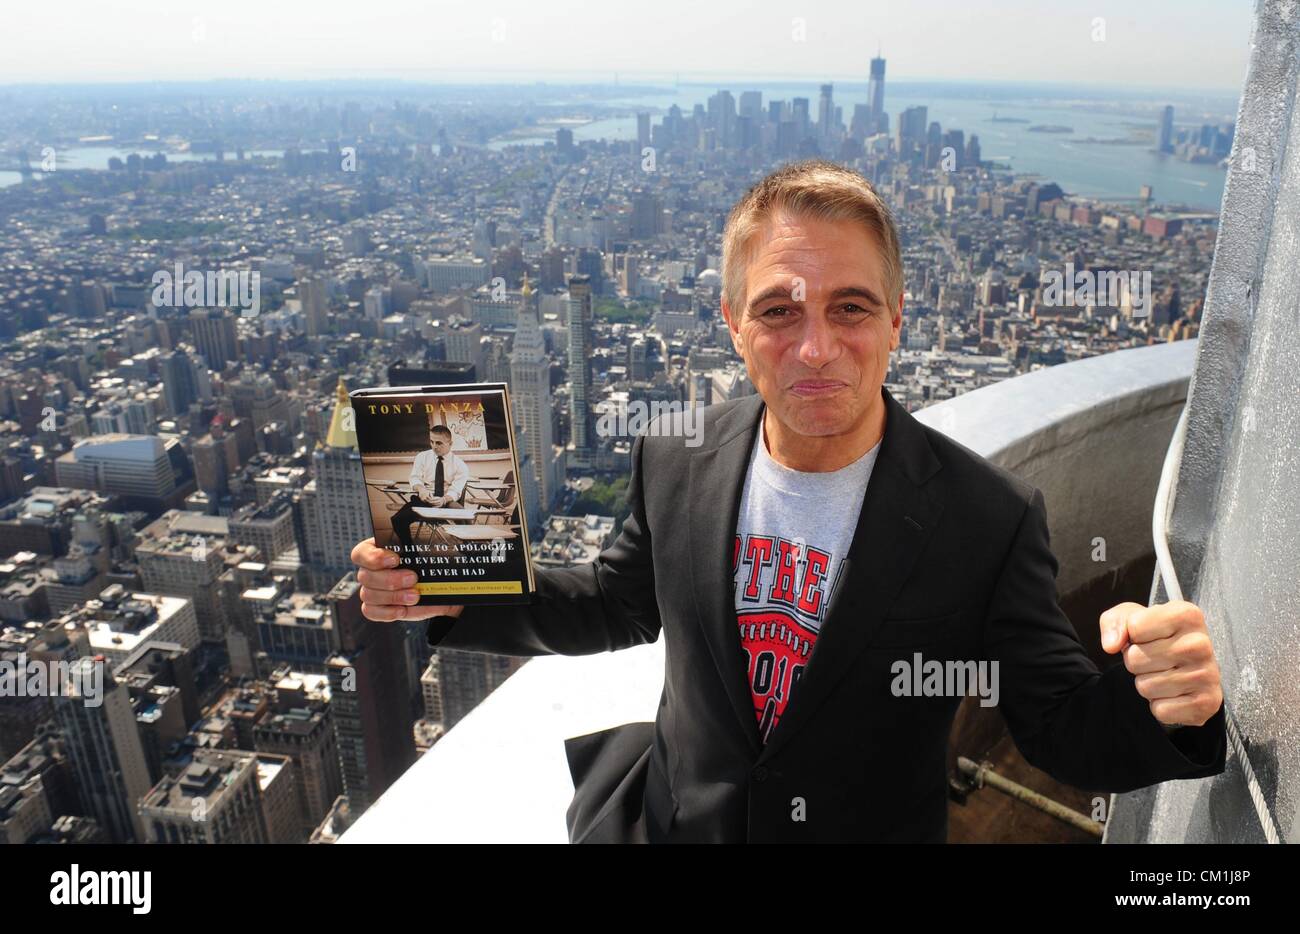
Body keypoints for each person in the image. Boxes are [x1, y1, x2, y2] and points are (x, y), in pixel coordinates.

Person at [351, 159, 1226, 843]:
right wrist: (459, 593)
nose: (815, 349)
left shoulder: (987, 520)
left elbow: (1058, 726)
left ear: (896, 319)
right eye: (778, 311)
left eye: (850, 308)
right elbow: (619, 605)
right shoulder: (675, 458)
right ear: (733, 324)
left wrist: (1158, 699)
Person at [388, 422, 470, 549]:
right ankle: (411, 554)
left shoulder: (460, 465)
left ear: (450, 443)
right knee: (397, 519)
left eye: (439, 443)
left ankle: (469, 550)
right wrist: (421, 490)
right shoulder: (422, 457)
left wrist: (444, 499)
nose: (434, 446)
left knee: (465, 517)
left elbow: (456, 490)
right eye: (432, 442)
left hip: (447, 502)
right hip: (424, 500)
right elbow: (415, 477)